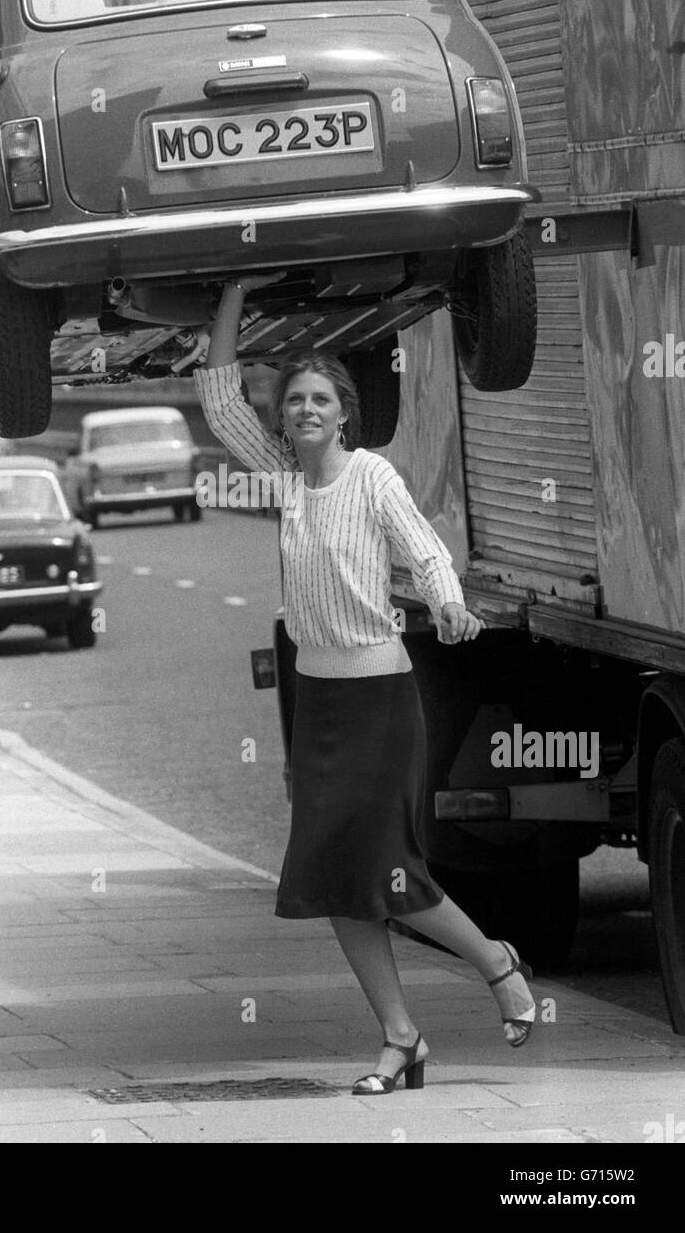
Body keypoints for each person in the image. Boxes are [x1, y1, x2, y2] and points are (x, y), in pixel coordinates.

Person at [195, 276, 537, 1095]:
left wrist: (449, 606)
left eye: (320, 399)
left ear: (345, 412)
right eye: (295, 401)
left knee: (390, 873)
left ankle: (497, 963)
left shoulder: (372, 477)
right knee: (331, 876)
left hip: (381, 701)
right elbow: (218, 394)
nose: (306, 410)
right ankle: (400, 1038)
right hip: (319, 707)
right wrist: (236, 289)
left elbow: (425, 551)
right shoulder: (282, 479)